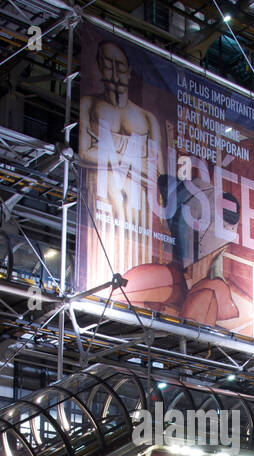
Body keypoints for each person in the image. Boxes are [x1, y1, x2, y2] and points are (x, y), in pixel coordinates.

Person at [78, 40, 163, 284]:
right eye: (107, 66)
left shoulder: (148, 118)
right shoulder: (90, 105)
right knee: (98, 272)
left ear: (129, 69)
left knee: (138, 276)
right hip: (102, 203)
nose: (115, 74)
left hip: (139, 214)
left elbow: (162, 177)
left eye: (120, 66)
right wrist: (135, 162)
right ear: (99, 68)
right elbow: (84, 152)